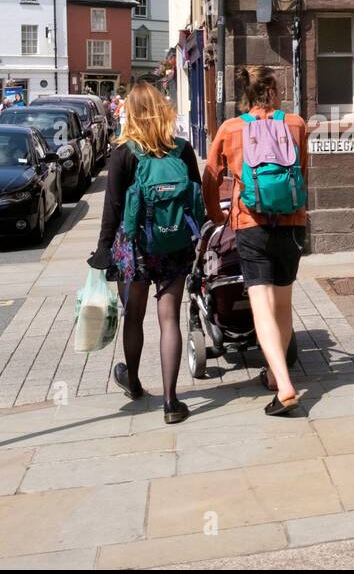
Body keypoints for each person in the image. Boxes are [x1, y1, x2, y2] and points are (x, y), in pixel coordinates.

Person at [89, 82, 202, 424]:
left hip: (133, 248)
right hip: (174, 245)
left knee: (134, 317)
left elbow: (111, 207)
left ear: (130, 115)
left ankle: (134, 383)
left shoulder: (123, 153)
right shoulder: (182, 150)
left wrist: (104, 249)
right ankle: (171, 402)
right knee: (169, 319)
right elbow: (196, 200)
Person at [202, 65, 308, 417]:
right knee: (283, 305)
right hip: (291, 223)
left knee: (260, 306)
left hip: (250, 224)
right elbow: (303, 173)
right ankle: (275, 374)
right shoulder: (295, 124)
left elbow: (210, 175)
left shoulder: (231, 129)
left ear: (245, 95)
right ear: (274, 92)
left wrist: (217, 216)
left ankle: (284, 383)